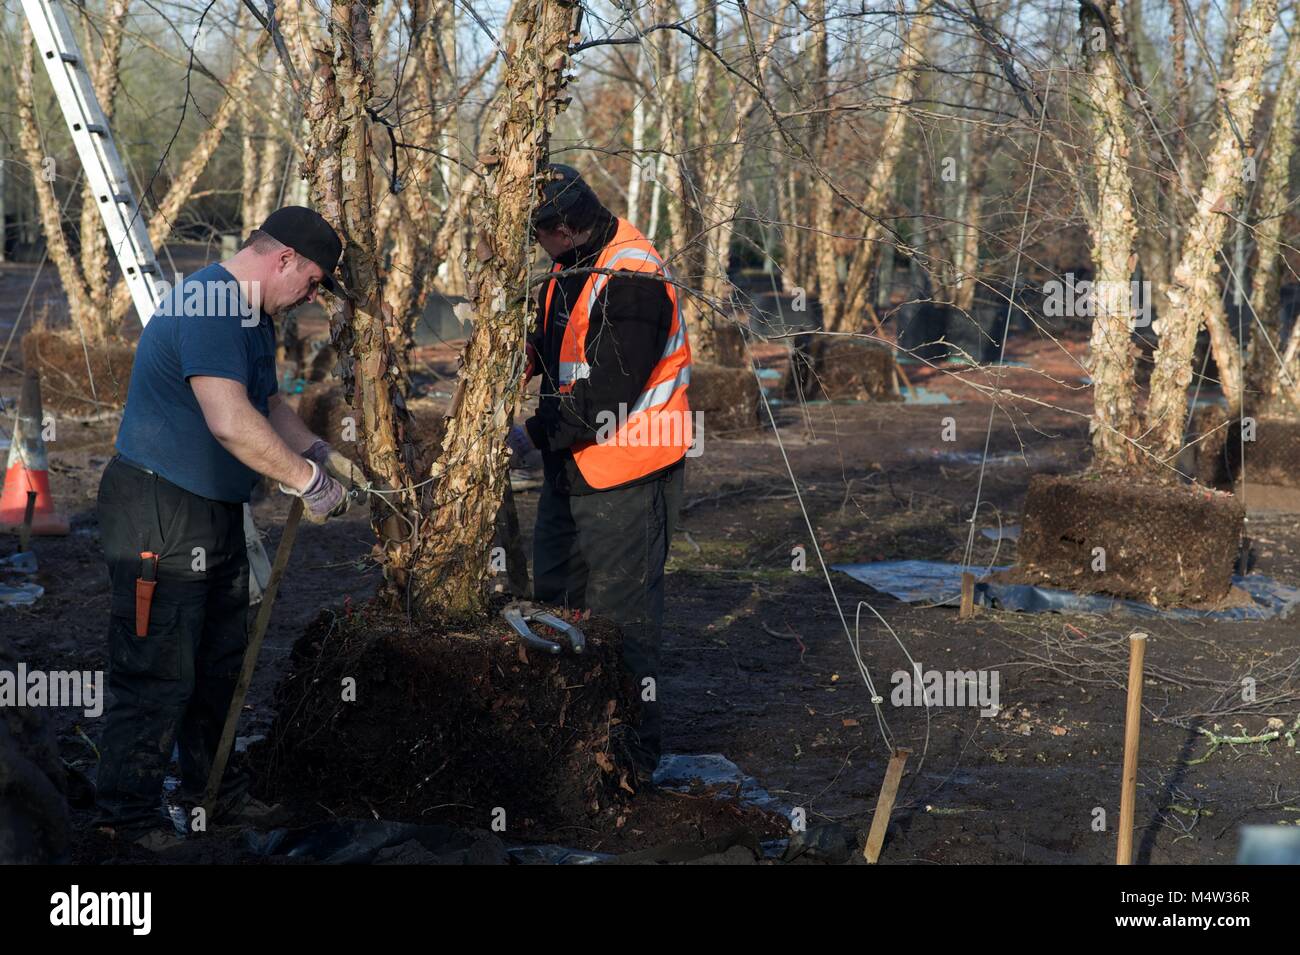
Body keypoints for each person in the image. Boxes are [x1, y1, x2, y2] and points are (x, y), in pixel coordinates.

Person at [95, 207, 353, 841]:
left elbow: (266, 403)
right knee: (158, 666)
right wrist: (305, 481)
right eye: (315, 281)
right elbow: (230, 420)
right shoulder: (212, 305)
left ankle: (216, 795)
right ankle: (125, 822)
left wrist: (319, 453)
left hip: (212, 509)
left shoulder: (253, 317)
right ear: (283, 258)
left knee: (218, 663)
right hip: (159, 508)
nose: (313, 296)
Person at [511, 165, 692, 784]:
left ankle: (630, 762)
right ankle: (567, 741)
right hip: (575, 463)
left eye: (539, 236)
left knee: (622, 621)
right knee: (557, 601)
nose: (536, 249)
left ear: (563, 227)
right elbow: (551, 343)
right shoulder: (571, 265)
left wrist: (527, 438)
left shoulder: (632, 275)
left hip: (631, 469)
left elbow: (608, 393)